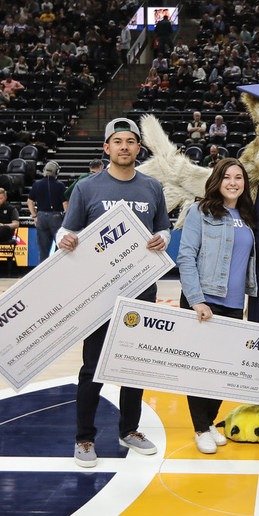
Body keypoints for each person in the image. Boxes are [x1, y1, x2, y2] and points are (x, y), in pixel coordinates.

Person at [56, 118, 172, 468]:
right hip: (97, 295)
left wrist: (163, 239)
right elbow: (66, 229)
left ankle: (129, 430)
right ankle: (85, 438)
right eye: (117, 141)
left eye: (131, 141)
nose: (124, 147)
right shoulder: (87, 187)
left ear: (139, 148)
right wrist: (65, 238)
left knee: (134, 366)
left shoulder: (152, 187)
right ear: (106, 148)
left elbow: (164, 227)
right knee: (93, 367)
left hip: (140, 291)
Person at [176, 158, 258, 454]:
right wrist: (196, 299)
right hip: (205, 300)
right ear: (217, 180)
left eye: (239, 177)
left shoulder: (248, 215)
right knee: (200, 367)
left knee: (223, 370)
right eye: (227, 177)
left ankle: (209, 422)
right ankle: (200, 428)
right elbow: (185, 256)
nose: (233, 182)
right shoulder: (200, 212)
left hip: (235, 303)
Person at [27, 161, 66, 263]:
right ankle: (58, 268)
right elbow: (65, 204)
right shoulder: (60, 185)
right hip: (56, 217)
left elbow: (30, 202)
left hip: (41, 217)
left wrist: (35, 216)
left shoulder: (36, 184)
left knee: (43, 251)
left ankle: (43, 275)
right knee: (61, 247)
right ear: (56, 172)